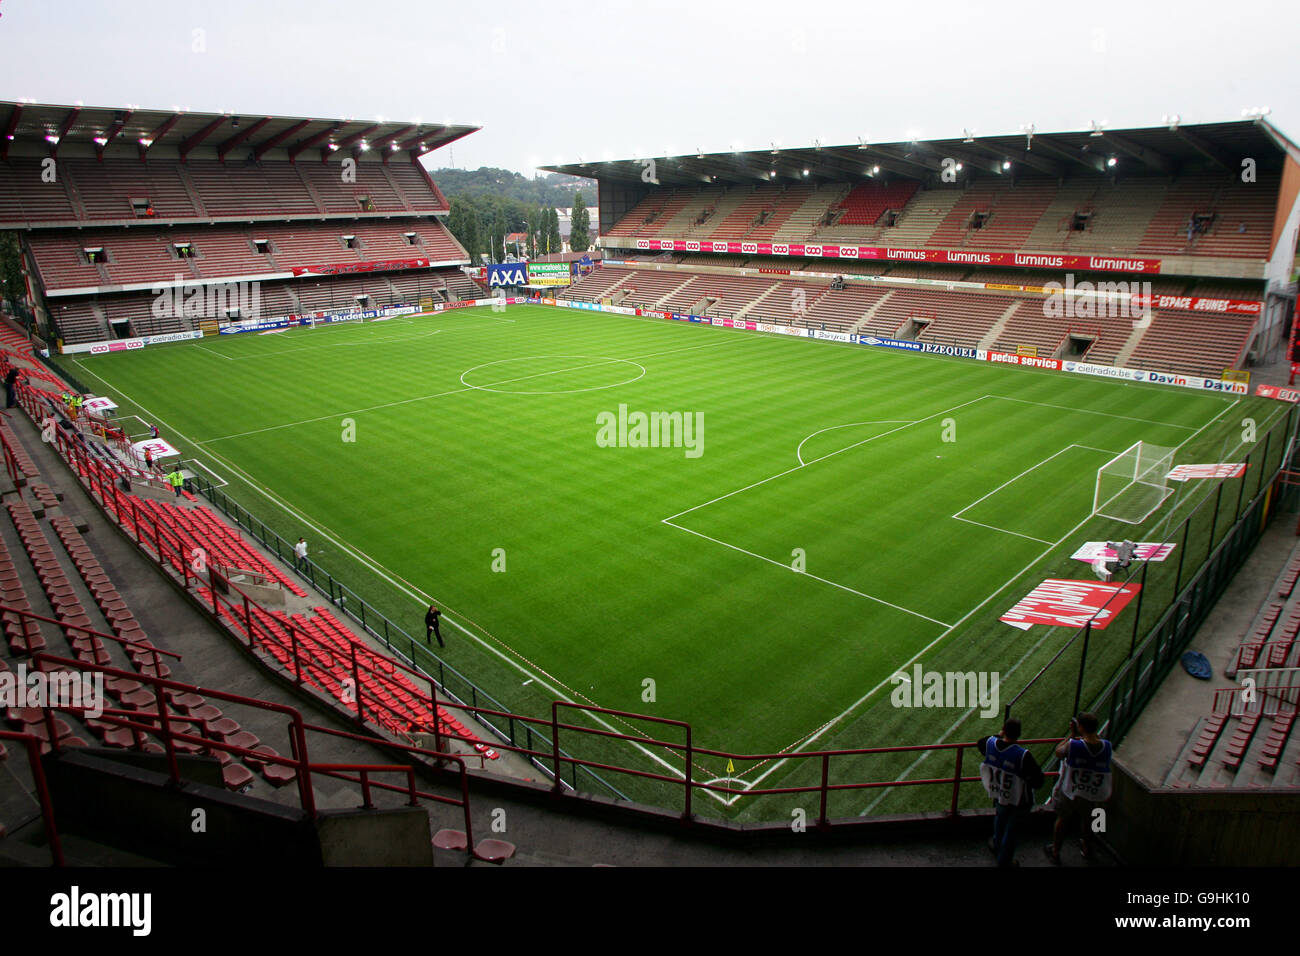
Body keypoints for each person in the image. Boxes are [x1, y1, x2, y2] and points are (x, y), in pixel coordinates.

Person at [1045, 712, 1112, 865]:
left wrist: (1071, 735)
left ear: (1080, 727)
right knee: (1088, 820)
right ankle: (1087, 848)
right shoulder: (1106, 746)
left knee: (1062, 818)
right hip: (1092, 791)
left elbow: (1058, 752)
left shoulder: (1074, 745)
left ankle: (1055, 851)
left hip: (1071, 790)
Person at [976, 717, 1044, 868]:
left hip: (1000, 795)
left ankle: (996, 845)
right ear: (1019, 734)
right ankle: (1004, 861)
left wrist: (999, 735)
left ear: (1003, 730)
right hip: (1020, 800)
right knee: (1012, 831)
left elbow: (981, 742)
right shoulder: (1023, 755)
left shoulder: (991, 744)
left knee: (1000, 821)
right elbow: (1038, 781)